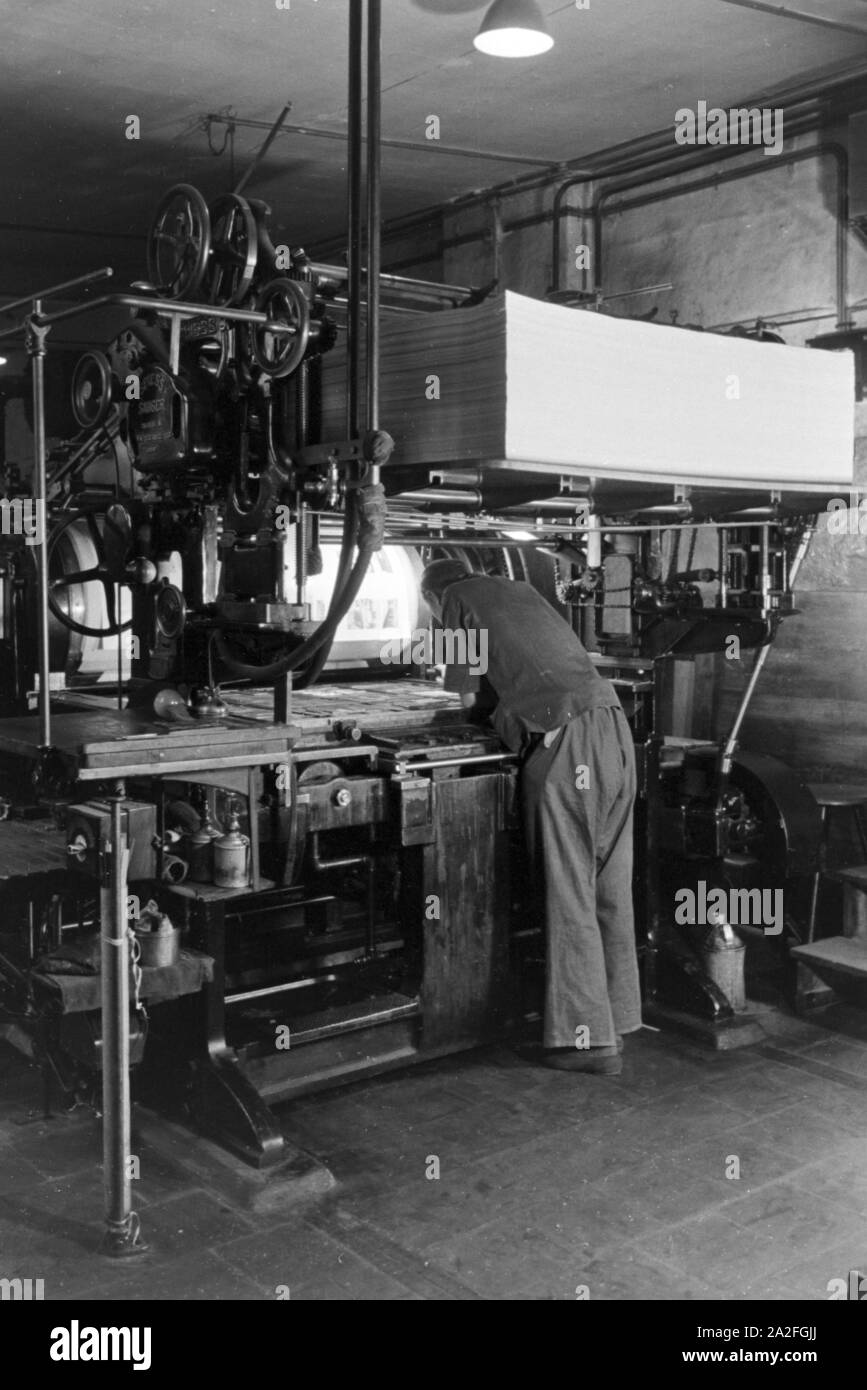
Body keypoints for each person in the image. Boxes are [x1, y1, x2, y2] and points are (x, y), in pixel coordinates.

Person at [420, 558, 641, 1075]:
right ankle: (618, 1019)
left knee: (568, 892)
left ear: (431, 596)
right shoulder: (517, 589)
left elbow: (465, 693)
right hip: (612, 728)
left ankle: (585, 1044)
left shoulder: (455, 601)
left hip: (566, 742)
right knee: (608, 886)